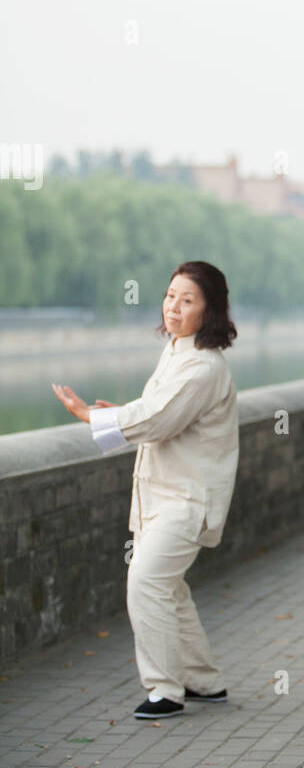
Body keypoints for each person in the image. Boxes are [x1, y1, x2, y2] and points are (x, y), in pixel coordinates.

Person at [52, 261, 239, 721]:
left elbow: (156, 420)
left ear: (210, 309)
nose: (174, 306)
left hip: (187, 500)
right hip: (163, 495)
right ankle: (204, 681)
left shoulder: (203, 365)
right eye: (170, 295)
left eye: (187, 299)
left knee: (147, 582)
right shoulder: (178, 351)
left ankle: (165, 690)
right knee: (169, 589)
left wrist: (89, 418)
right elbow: (159, 410)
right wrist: (122, 412)